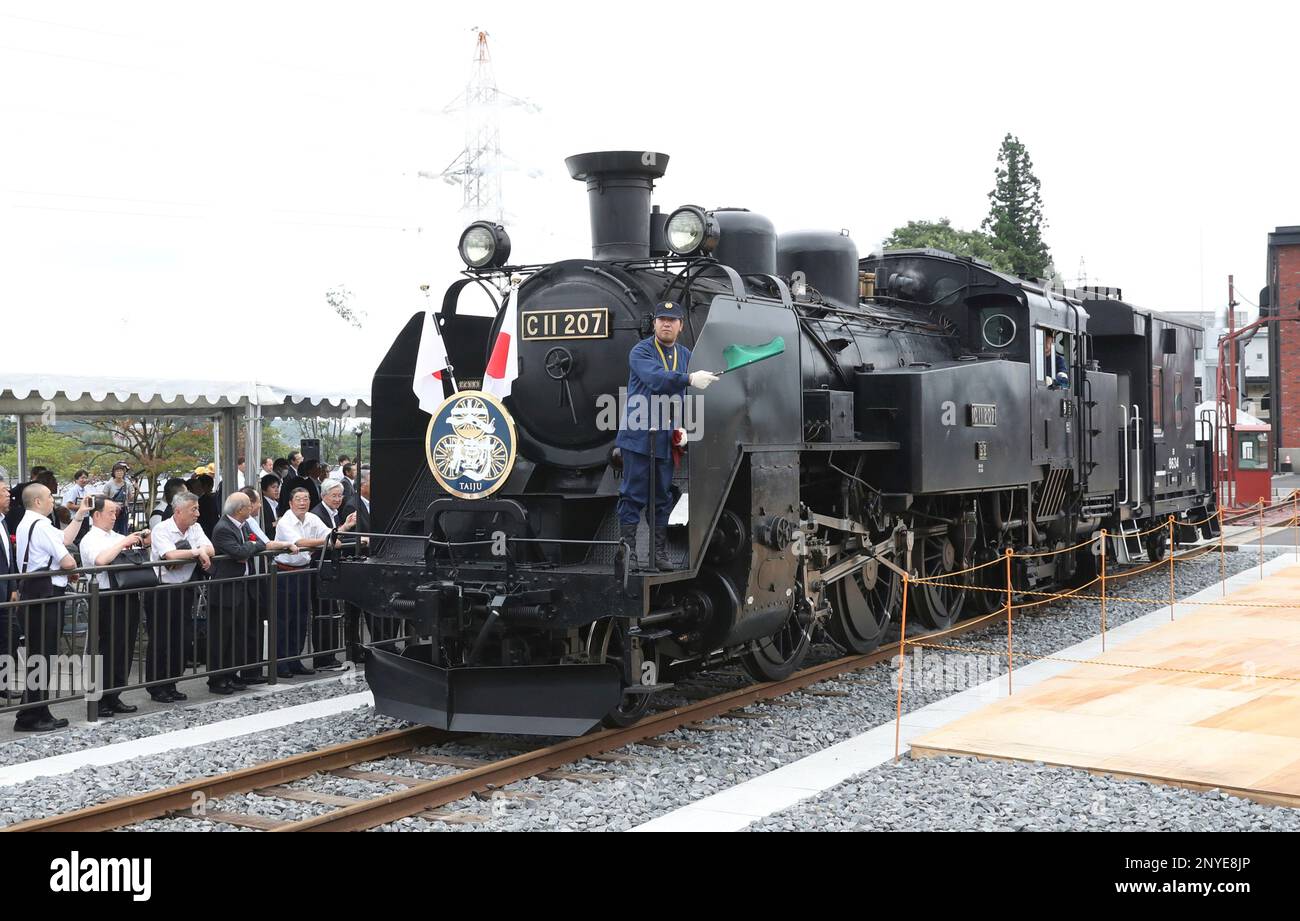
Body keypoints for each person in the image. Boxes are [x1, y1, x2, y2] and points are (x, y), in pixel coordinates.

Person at [615, 300, 717, 569]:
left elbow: (683, 395)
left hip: (665, 438)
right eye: (662, 319)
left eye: (672, 320)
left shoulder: (684, 354)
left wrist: (683, 427)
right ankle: (628, 553)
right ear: (654, 324)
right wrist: (689, 378)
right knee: (633, 494)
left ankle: (658, 555)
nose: (666, 324)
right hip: (639, 436)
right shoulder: (641, 351)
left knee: (661, 497)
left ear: (681, 326)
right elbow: (657, 379)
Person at [207, 493, 296, 694]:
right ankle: (217, 679)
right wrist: (251, 547)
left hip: (243, 588)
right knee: (222, 637)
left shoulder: (243, 525)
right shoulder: (223, 528)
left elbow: (257, 545)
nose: (253, 509)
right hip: (226, 590)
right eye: (249, 506)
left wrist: (250, 547)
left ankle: (231, 674)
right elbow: (240, 552)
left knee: (237, 635)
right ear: (240, 510)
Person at [13, 483, 77, 731]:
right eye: (50, 496)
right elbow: (68, 561)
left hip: (34, 592)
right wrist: (69, 565)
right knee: (43, 655)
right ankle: (30, 715)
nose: (53, 500)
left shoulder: (26, 523)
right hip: (47, 593)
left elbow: (62, 542)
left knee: (39, 655)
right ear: (38, 502)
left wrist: (80, 515)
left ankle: (38, 709)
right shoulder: (42, 525)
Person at [78, 497, 146, 717]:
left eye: (116, 512)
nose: (114, 516)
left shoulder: (115, 535)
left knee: (124, 645)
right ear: (96, 514)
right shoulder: (90, 538)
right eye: (110, 512)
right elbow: (100, 560)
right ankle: (98, 699)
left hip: (125, 592)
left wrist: (140, 538)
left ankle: (115, 694)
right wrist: (123, 543)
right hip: (104, 595)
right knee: (105, 647)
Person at [147, 490, 212, 702]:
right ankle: (157, 686)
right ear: (178, 511)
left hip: (184, 587)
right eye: (193, 509)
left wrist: (201, 550)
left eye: (197, 509)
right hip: (162, 589)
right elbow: (170, 555)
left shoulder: (195, 528)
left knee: (181, 638)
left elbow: (210, 547)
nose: (198, 514)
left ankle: (172, 682)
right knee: (161, 638)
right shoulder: (162, 529)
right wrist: (196, 552)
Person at [273, 487, 333, 677]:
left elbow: (329, 534)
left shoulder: (312, 518)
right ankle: (281, 663)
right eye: (298, 499)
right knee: (283, 619)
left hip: (304, 571)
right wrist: (322, 542)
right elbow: (299, 542)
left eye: (306, 499)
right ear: (290, 503)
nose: (302, 503)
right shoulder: (285, 522)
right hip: (284, 573)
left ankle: (295, 659)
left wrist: (338, 532)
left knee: (300, 618)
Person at [308, 479, 357, 668]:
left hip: (331, 565)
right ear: (323, 496)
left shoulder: (334, 513)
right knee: (323, 612)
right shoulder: (317, 514)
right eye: (334, 495)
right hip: (320, 565)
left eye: (340, 495)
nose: (338, 499)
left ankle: (329, 654)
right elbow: (325, 539)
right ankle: (322, 656)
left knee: (332, 612)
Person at [0, 482, 15, 683]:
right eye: (4, 491)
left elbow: (8, 557)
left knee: (11, 635)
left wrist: (13, 586)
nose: (9, 494)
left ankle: (2, 683)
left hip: (5, 591)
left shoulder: (4, 521)